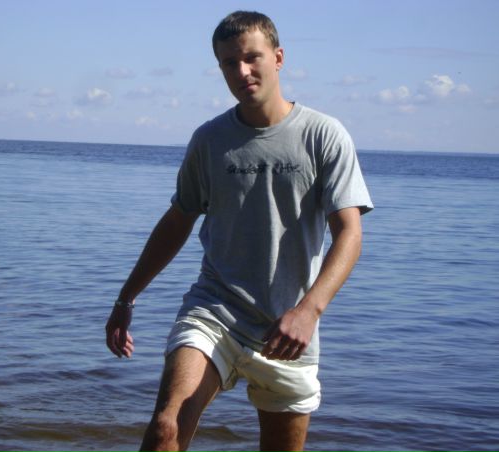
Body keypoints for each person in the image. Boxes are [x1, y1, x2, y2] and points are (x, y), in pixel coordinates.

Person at [106, 10, 373, 452]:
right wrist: (125, 297)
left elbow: (350, 234)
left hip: (288, 329)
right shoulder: (210, 139)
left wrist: (308, 311)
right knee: (165, 429)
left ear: (278, 57)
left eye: (252, 58)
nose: (242, 71)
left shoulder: (323, 135)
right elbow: (177, 221)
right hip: (214, 312)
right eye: (229, 63)